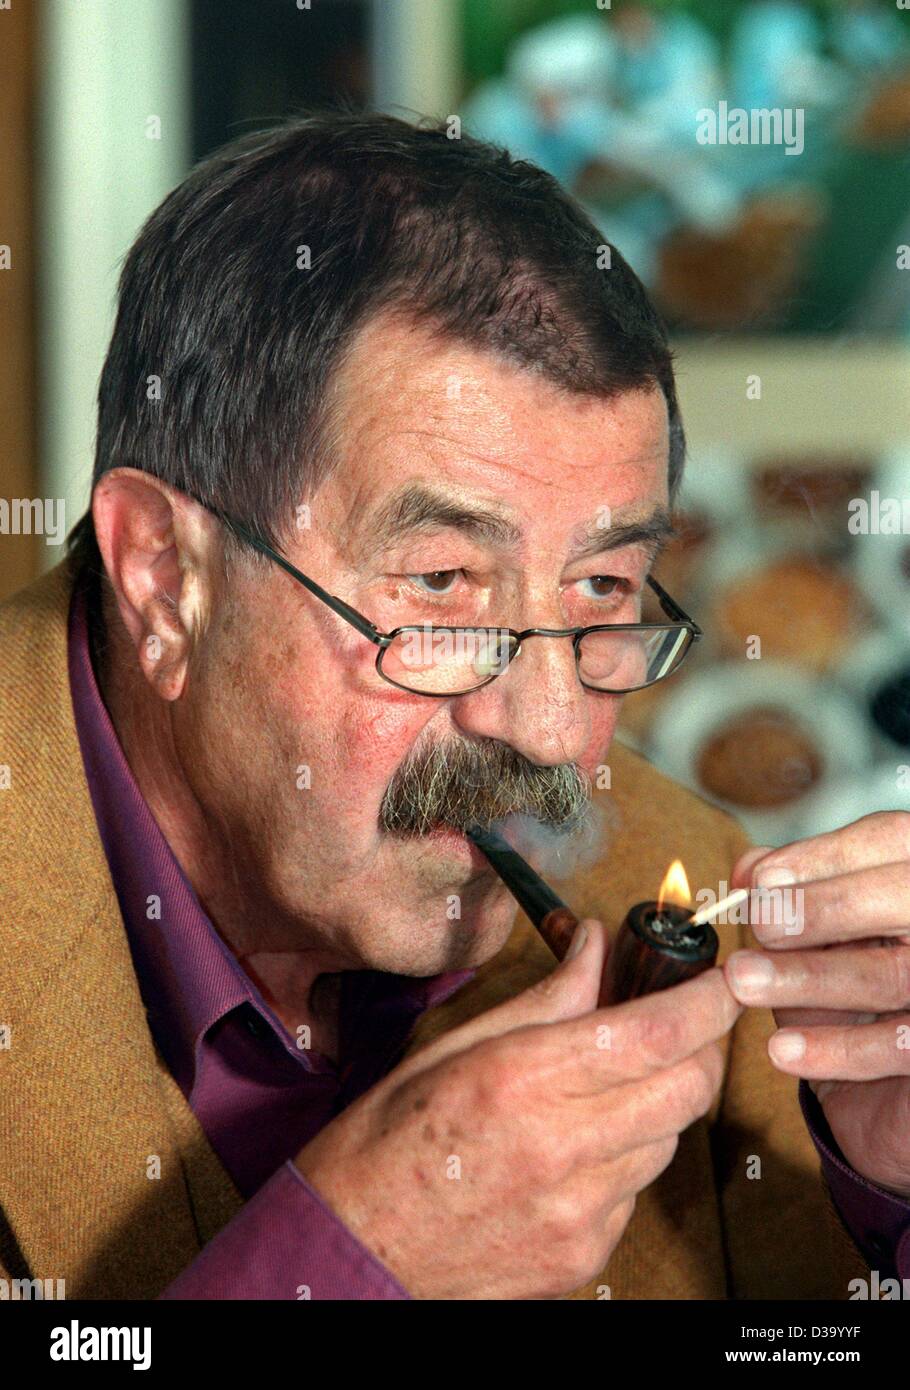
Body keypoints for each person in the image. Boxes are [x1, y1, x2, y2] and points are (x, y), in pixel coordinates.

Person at [1, 113, 907, 1300]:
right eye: (440, 586)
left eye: (601, 590)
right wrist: (337, 1270)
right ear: (166, 579)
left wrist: (882, 1198)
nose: (543, 730)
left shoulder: (699, 903)